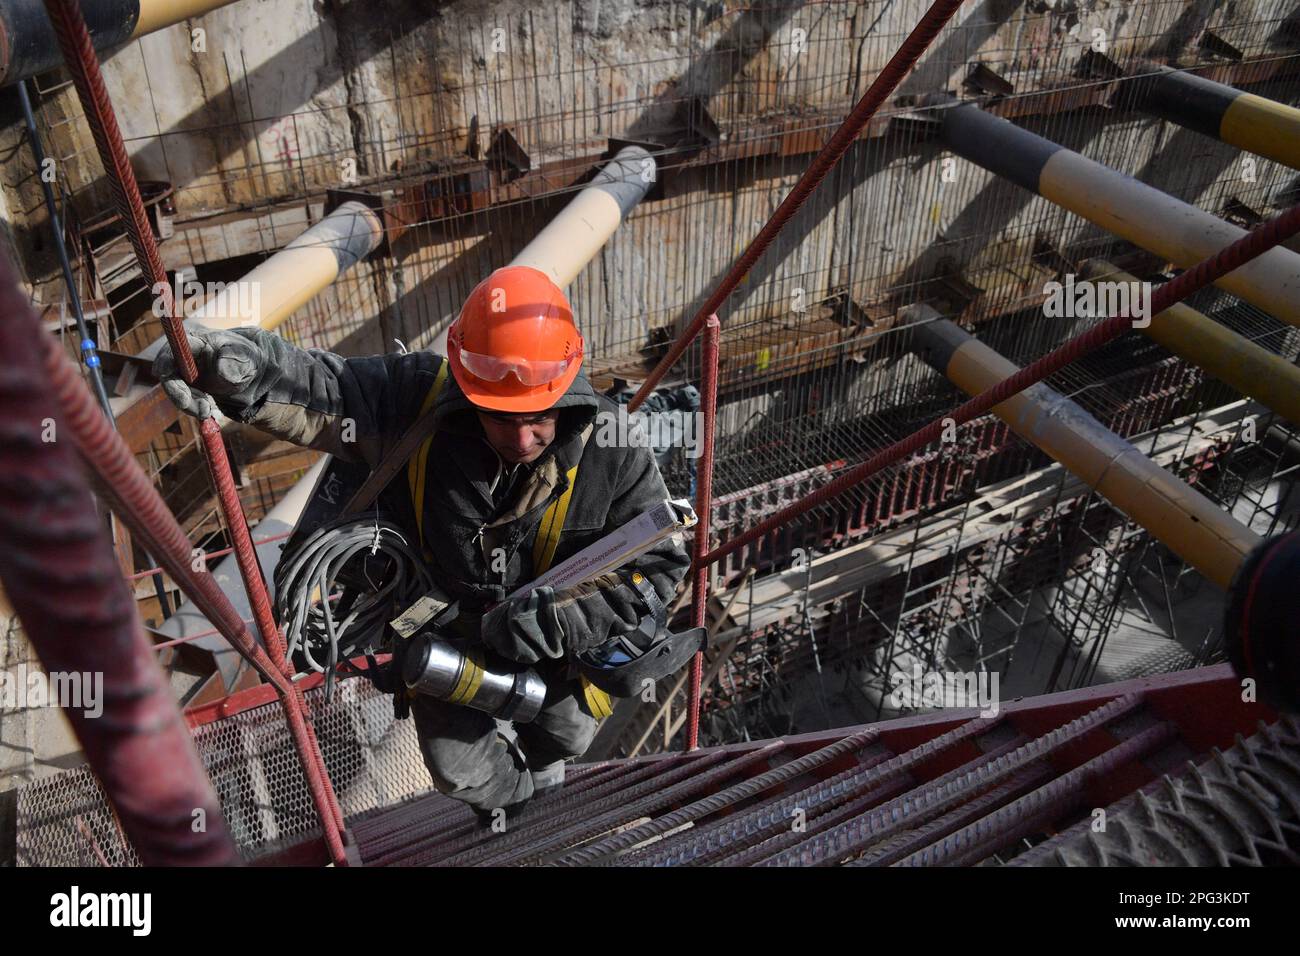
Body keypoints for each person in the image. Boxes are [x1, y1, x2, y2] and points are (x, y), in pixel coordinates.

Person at [154, 264, 690, 818]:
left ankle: (548, 773)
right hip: (447, 627)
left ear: (567, 386)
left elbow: (657, 563)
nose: (523, 438)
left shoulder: (614, 448)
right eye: (501, 419)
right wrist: (242, 371)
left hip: (557, 644)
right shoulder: (416, 399)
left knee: (568, 734)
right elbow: (327, 387)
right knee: (463, 773)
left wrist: (559, 618)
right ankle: (514, 817)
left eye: (539, 419)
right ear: (467, 387)